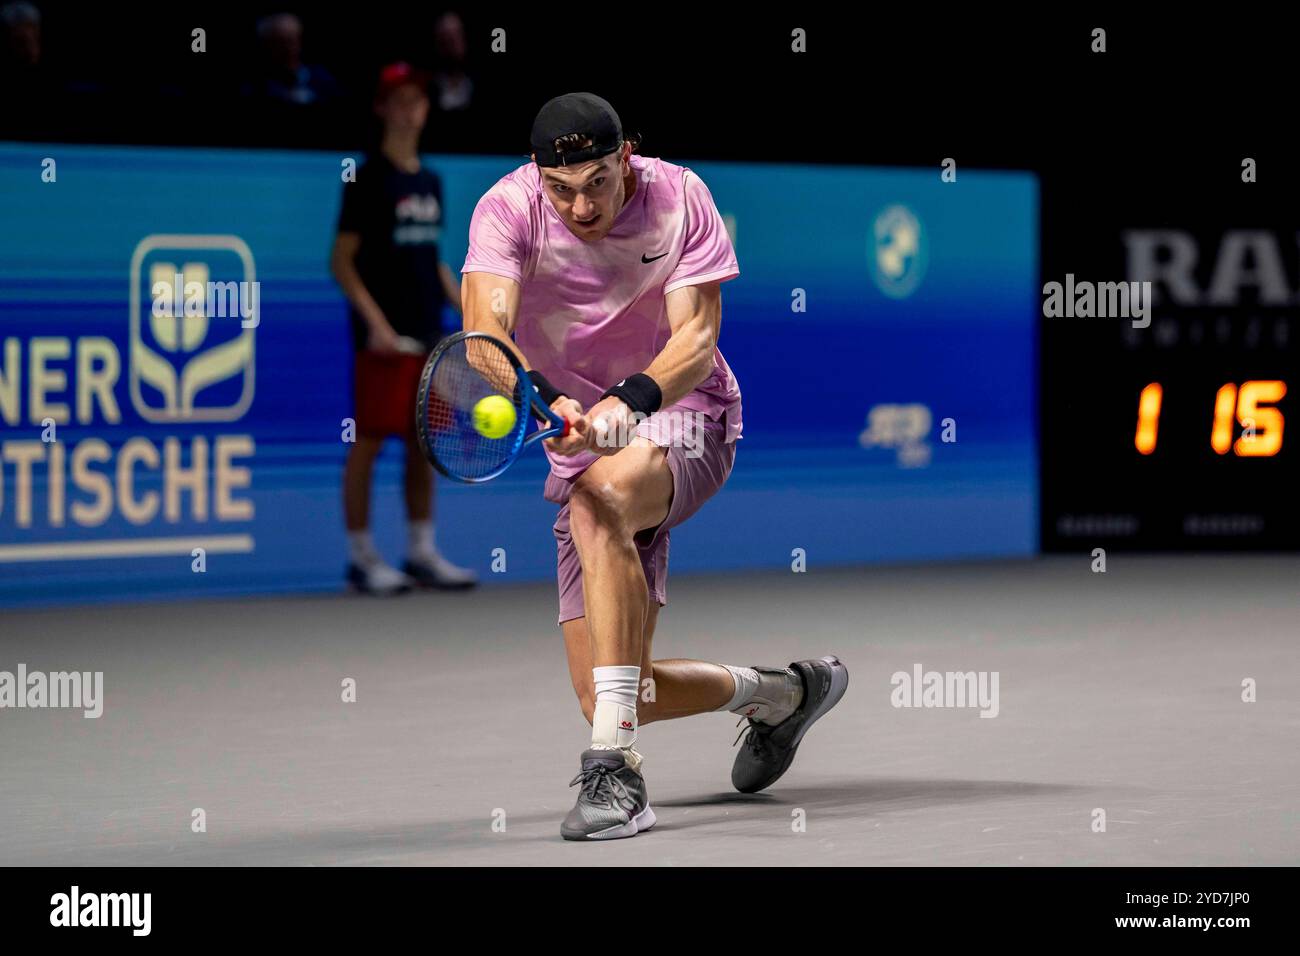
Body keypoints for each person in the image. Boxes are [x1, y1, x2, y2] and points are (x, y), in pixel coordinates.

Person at [460, 92, 847, 840]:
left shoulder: (679, 197)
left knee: (600, 498)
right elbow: (484, 334)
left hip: (690, 413)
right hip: (584, 433)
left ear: (626, 156)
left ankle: (616, 773)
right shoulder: (506, 209)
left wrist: (626, 401)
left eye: (597, 182)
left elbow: (695, 339)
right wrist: (547, 400)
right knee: (616, 688)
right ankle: (783, 696)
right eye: (561, 188)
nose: (581, 207)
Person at [331, 62, 477, 594]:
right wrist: (376, 325)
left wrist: (469, 312)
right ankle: (361, 557)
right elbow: (341, 261)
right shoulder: (365, 177)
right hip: (383, 340)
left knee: (422, 443)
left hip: (429, 335)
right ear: (381, 109)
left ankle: (420, 552)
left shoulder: (430, 181)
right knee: (369, 441)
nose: (409, 110)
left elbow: (430, 259)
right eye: (399, 100)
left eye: (417, 100)